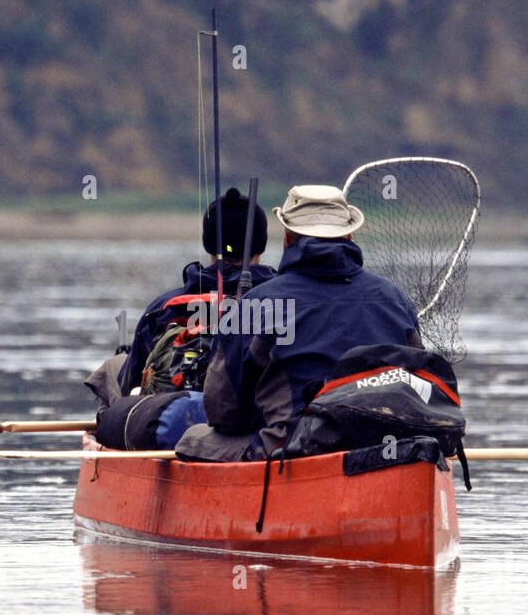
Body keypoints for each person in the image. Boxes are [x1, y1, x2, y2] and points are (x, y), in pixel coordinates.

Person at [176, 184, 423, 461]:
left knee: (192, 440)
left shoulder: (256, 303)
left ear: (287, 239)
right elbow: (420, 386)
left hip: (291, 448)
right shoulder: (396, 299)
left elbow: (223, 413)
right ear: (351, 236)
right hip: (387, 448)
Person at [115, 186, 275, 395]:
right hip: (261, 419)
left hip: (169, 416)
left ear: (208, 245)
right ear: (261, 246)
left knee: (113, 368)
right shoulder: (285, 304)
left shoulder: (162, 308)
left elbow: (130, 383)